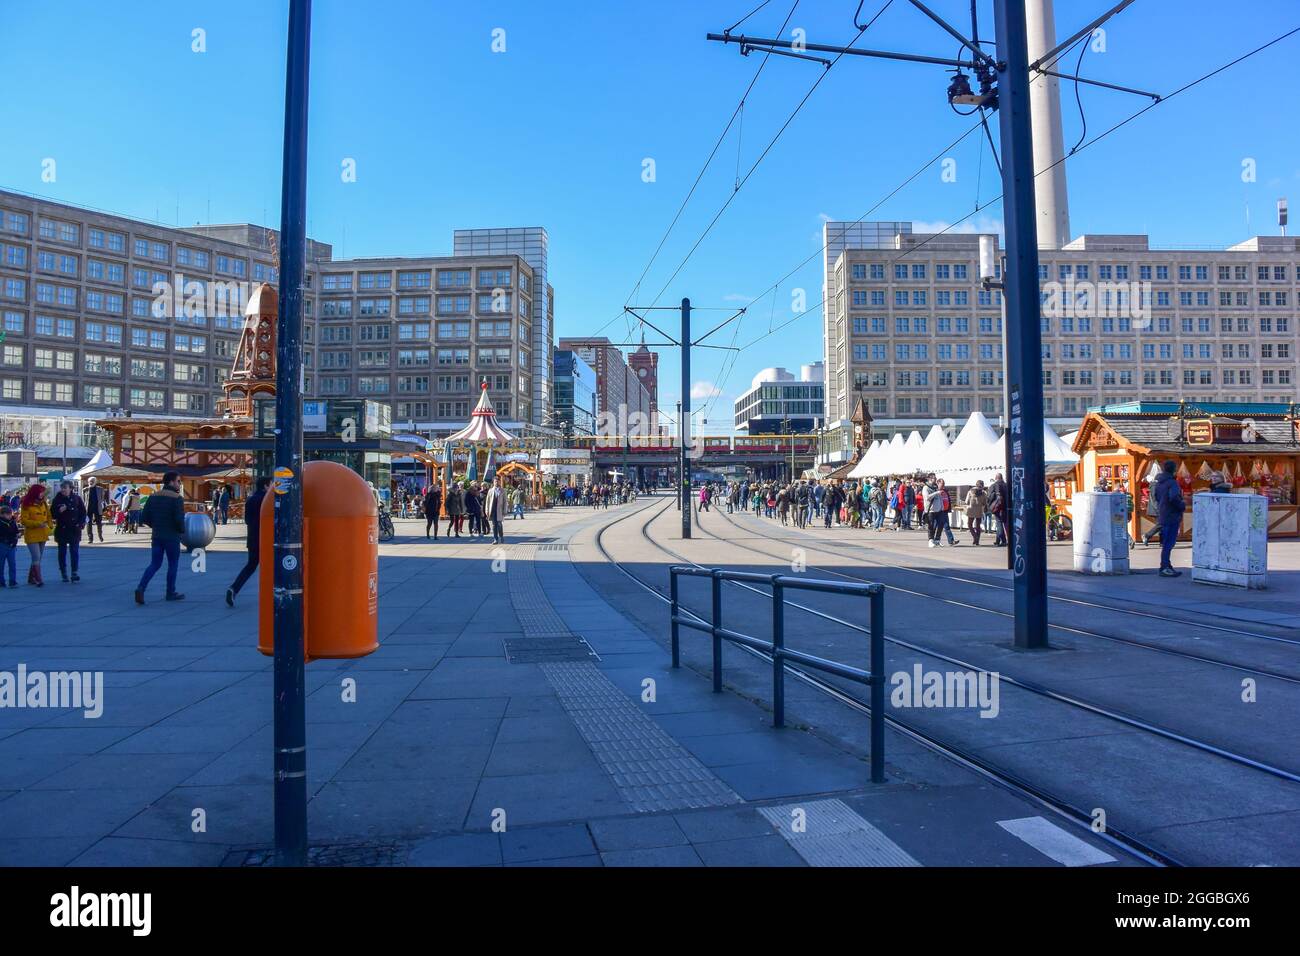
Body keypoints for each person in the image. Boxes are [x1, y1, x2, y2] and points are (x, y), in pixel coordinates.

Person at [134, 470, 186, 604]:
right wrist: (182, 531)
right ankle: (170, 592)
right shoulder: (177, 498)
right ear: (171, 482)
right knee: (173, 564)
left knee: (155, 564)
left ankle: (141, 587)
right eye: (178, 481)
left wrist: (155, 526)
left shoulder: (153, 496)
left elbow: (144, 517)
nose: (179, 484)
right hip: (172, 537)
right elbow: (179, 519)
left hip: (157, 536)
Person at [226, 476, 269, 606]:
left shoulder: (250, 500)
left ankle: (234, 588)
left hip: (253, 539)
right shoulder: (267, 500)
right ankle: (271, 595)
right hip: (266, 539)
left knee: (250, 566)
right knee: (272, 568)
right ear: (266, 486)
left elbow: (246, 520)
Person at [1153, 459, 1186, 577]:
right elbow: (1174, 497)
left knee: (1166, 542)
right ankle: (1165, 566)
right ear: (1174, 470)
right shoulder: (1172, 483)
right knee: (1169, 543)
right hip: (1172, 515)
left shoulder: (1159, 482)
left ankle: (1166, 565)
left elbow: (1156, 496)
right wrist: (1182, 505)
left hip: (1163, 513)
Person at [51, 480, 87, 582]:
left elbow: (83, 513)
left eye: (65, 488)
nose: (63, 490)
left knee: (74, 551)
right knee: (62, 552)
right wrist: (59, 511)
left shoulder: (77, 499)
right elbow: (52, 514)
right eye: (62, 488)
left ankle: (74, 572)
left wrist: (80, 524)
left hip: (74, 529)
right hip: (62, 529)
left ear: (70, 488)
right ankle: (63, 572)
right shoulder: (57, 499)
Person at [19, 483, 51, 587]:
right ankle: (39, 579)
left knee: (38, 557)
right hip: (32, 534)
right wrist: (37, 524)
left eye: (43, 492)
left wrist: (50, 525)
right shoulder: (26, 504)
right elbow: (23, 520)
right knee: (36, 556)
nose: (42, 494)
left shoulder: (44, 503)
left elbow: (48, 515)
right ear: (35, 492)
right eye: (41, 492)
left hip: (43, 533)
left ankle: (31, 578)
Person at [0, 504, 20, 588]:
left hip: (12, 545)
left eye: (10, 513)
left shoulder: (12, 522)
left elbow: (16, 531)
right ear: (2, 514)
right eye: (7, 514)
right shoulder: (1, 522)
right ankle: (1, 582)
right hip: (2, 545)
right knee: (1, 564)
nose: (9, 515)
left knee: (12, 564)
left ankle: (13, 581)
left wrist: (17, 535)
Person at [84, 477, 107, 544]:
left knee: (99, 523)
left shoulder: (100, 489)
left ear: (95, 482)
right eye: (89, 481)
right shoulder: (85, 490)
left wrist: (102, 506)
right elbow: (84, 500)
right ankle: (90, 538)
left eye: (92, 481)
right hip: (88, 509)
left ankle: (100, 535)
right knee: (88, 523)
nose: (90, 482)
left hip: (97, 508)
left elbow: (102, 499)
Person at [485, 477, 506, 545]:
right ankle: (495, 539)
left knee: (499, 524)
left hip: (499, 510)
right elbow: (487, 501)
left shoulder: (502, 490)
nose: (496, 483)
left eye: (497, 481)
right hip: (493, 510)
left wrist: (504, 510)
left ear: (499, 482)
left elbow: (505, 501)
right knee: (494, 525)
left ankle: (501, 536)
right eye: (495, 481)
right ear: (493, 482)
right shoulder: (490, 490)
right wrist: (487, 510)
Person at [965, 481, 987, 546]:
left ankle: (975, 537)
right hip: (979, 510)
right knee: (978, 526)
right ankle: (977, 541)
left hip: (971, 510)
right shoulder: (983, 493)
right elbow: (984, 503)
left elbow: (967, 501)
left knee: (969, 524)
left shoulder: (970, 491)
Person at [989, 473, 1008, 547]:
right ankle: (998, 540)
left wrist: (990, 505)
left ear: (996, 477)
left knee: (999, 523)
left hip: (997, 507)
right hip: (1006, 507)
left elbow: (990, 497)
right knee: (1001, 522)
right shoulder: (1006, 485)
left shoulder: (994, 485)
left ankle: (1003, 540)